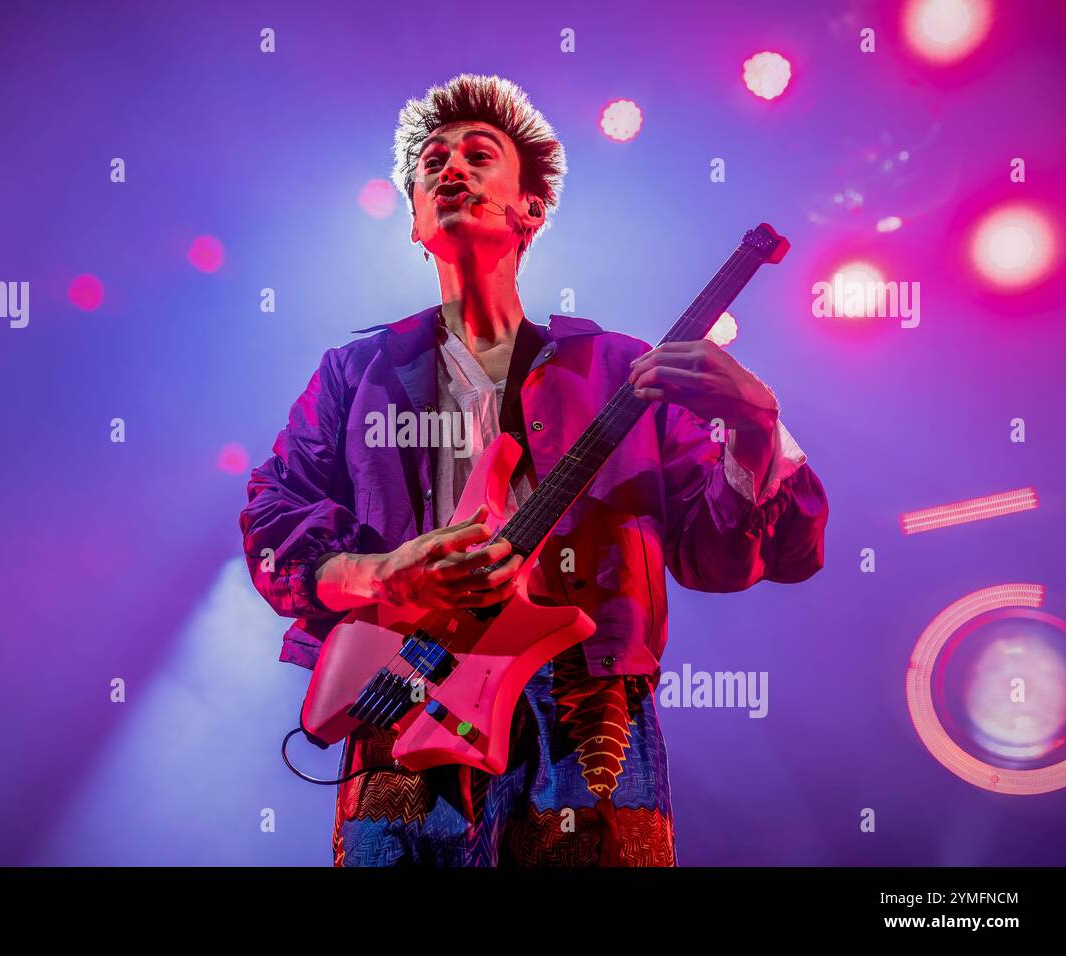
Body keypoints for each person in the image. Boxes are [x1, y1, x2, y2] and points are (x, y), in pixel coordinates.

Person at [240, 73, 828, 866]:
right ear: (415, 220)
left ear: (532, 210)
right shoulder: (357, 373)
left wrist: (756, 429)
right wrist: (386, 573)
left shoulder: (620, 368)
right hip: (406, 691)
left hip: (584, 708)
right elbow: (275, 518)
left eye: (479, 155)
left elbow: (735, 557)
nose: (450, 167)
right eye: (432, 162)